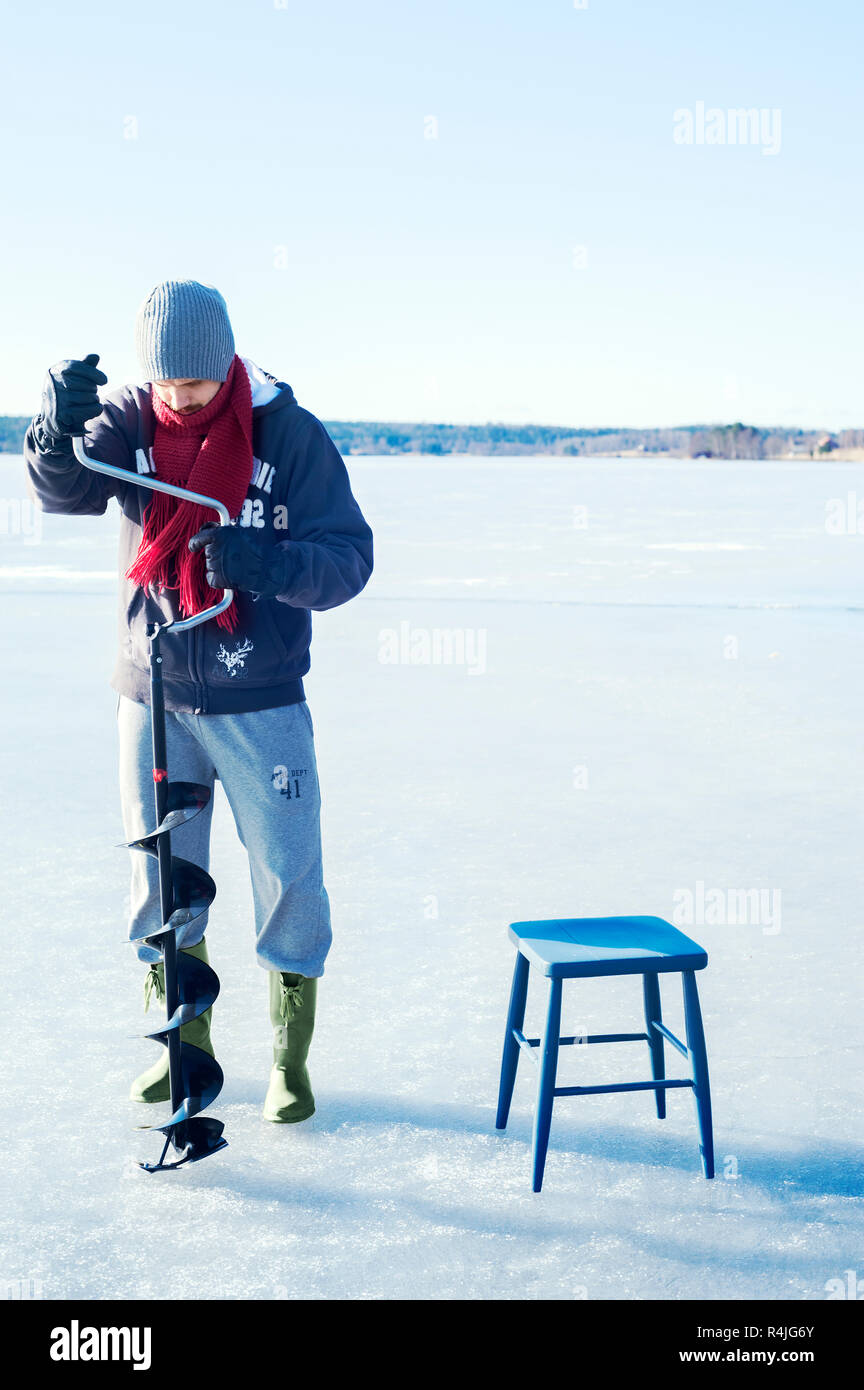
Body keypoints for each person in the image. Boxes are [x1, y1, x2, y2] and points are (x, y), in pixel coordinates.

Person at [23, 278, 373, 1125]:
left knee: (289, 875)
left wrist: (271, 565)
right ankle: (187, 1043)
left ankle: (290, 1061)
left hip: (261, 699)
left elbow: (349, 559)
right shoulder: (132, 421)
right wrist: (55, 429)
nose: (180, 398)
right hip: (154, 691)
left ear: (228, 361)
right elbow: (61, 489)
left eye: (197, 382)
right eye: (166, 382)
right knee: (160, 874)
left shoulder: (289, 436)